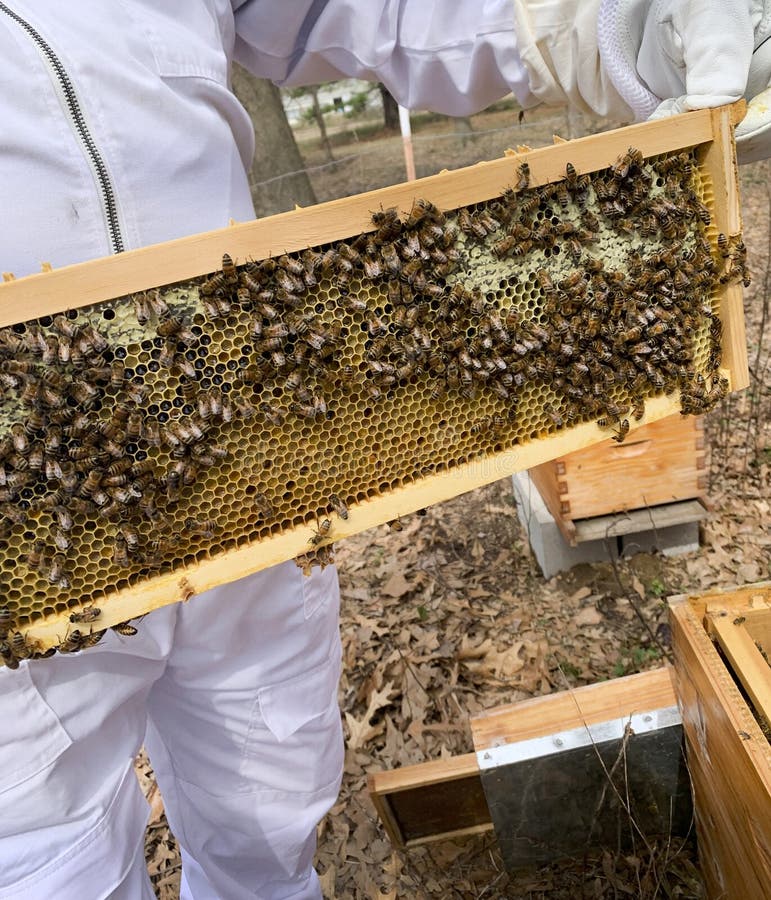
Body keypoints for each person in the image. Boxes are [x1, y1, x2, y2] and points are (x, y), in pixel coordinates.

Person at [0, 2, 768, 898]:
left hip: (261, 457)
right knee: (47, 861)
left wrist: (589, 20)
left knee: (272, 794)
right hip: (26, 535)